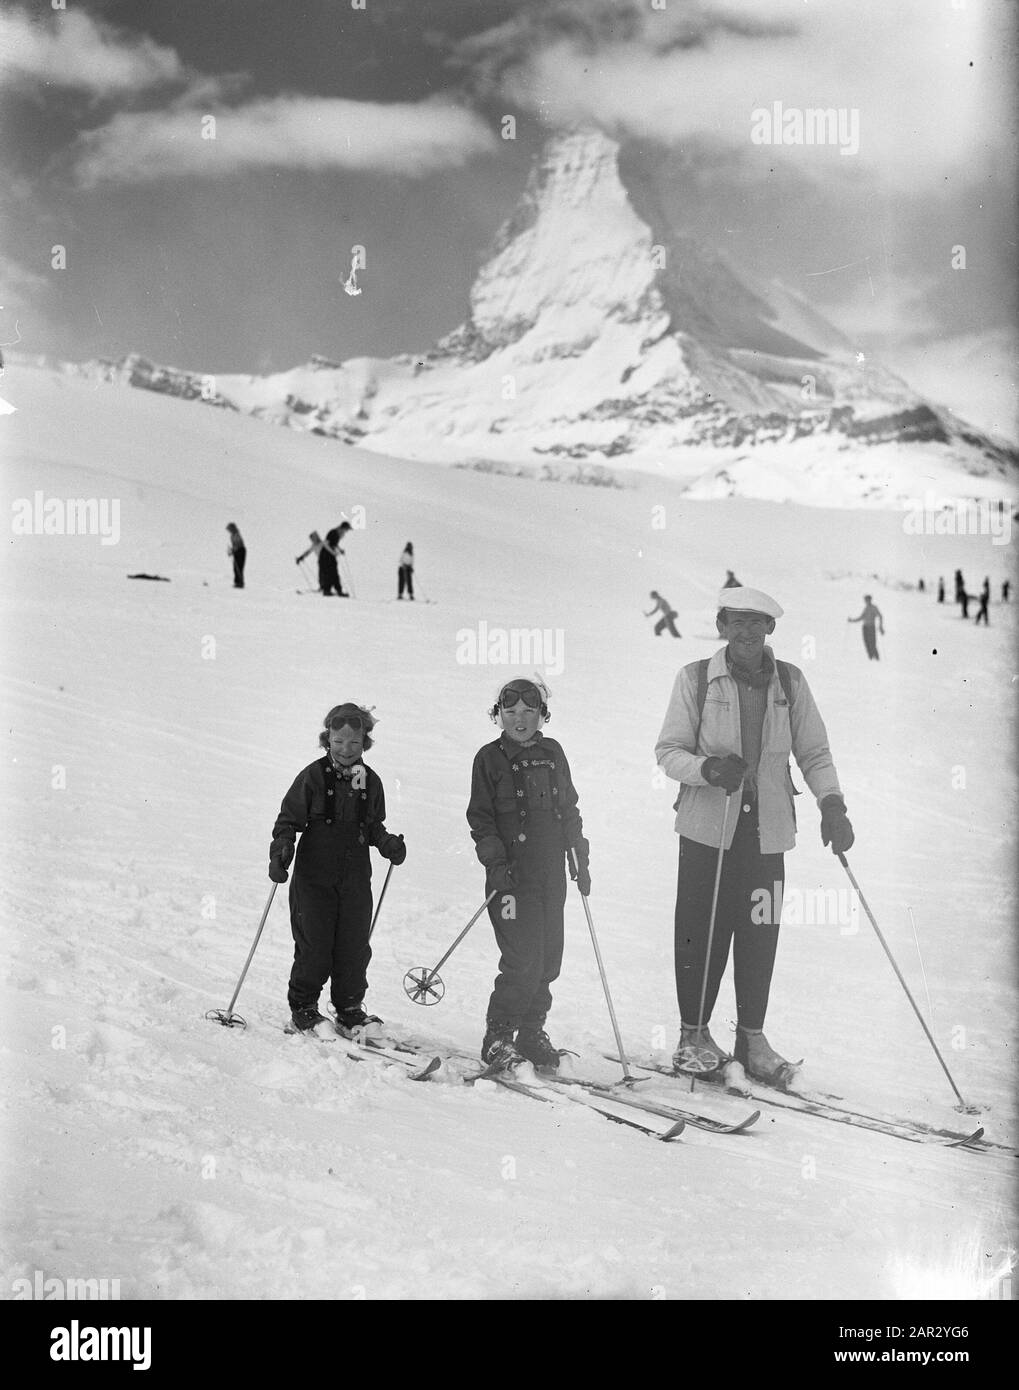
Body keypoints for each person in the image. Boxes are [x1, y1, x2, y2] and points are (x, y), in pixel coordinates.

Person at [654, 587, 853, 1085]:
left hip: (767, 833)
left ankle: (752, 1038)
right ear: (722, 625)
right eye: (737, 621)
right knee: (703, 930)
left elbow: (814, 752)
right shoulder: (696, 679)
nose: (746, 631)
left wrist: (832, 804)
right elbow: (669, 751)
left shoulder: (790, 681)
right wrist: (709, 768)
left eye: (756, 622)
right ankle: (693, 1034)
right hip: (707, 830)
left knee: (760, 934)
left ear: (771, 629)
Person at [467, 676, 590, 1072]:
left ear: (542, 714)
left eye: (528, 711)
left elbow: (568, 808)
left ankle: (531, 1032)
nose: (519, 719)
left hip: (550, 869)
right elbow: (481, 819)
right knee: (522, 959)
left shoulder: (553, 752)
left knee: (549, 957)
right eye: (510, 712)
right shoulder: (489, 758)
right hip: (511, 877)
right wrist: (496, 864)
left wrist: (579, 855)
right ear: (498, 715)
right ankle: (498, 1037)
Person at [268, 704, 406, 1036]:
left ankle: (349, 1009)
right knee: (314, 944)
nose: (346, 750)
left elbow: (373, 825)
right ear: (327, 738)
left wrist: (387, 843)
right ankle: (303, 1008)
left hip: (356, 875)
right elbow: (288, 821)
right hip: (314, 874)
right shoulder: (313, 776)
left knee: (354, 944)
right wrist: (282, 849)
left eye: (354, 743)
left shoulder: (370, 781)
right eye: (339, 741)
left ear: (365, 743)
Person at [848, 595, 885, 660]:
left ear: (870, 600)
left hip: (871, 627)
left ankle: (877, 659)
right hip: (865, 628)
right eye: (865, 600)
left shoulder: (874, 607)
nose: (866, 601)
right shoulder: (866, 608)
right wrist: (852, 620)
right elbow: (861, 617)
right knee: (867, 644)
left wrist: (880, 626)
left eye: (867, 600)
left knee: (872, 644)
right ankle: (870, 659)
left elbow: (880, 616)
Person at [318, 528, 347, 597]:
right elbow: (325, 544)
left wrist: (340, 550)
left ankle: (338, 590)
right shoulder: (332, 533)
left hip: (330, 557)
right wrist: (333, 552)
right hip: (326, 557)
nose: (344, 533)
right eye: (345, 530)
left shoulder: (337, 535)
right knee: (329, 573)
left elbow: (334, 545)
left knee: (334, 573)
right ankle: (327, 590)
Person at [226, 523, 246, 589]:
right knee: (235, 567)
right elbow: (234, 545)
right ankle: (237, 582)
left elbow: (239, 544)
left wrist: (233, 550)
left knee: (239, 567)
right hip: (236, 551)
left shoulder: (237, 535)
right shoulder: (232, 536)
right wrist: (231, 551)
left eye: (229, 529)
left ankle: (240, 583)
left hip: (240, 551)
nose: (229, 531)